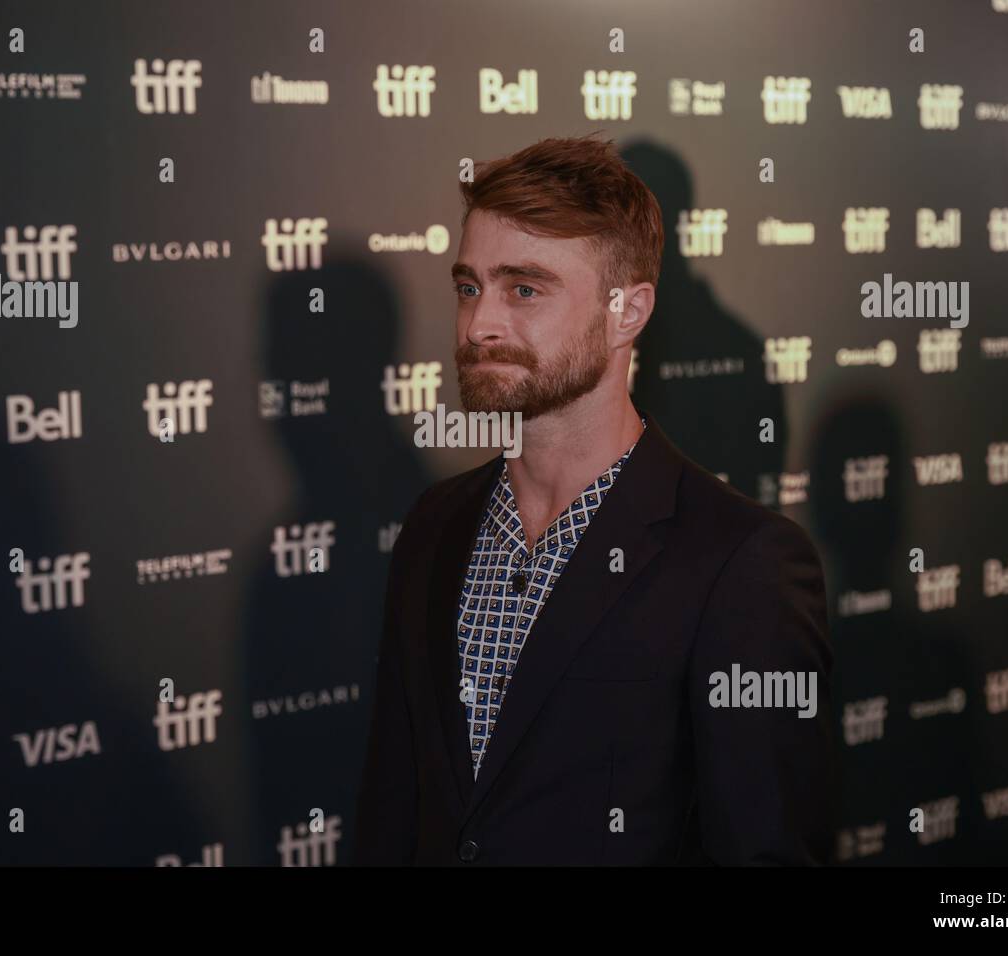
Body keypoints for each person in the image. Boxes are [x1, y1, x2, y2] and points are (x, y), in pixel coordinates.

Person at [355, 133, 834, 865]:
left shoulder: (742, 567)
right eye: (468, 286)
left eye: (524, 288)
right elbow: (392, 813)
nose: (480, 322)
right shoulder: (434, 526)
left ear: (627, 312)